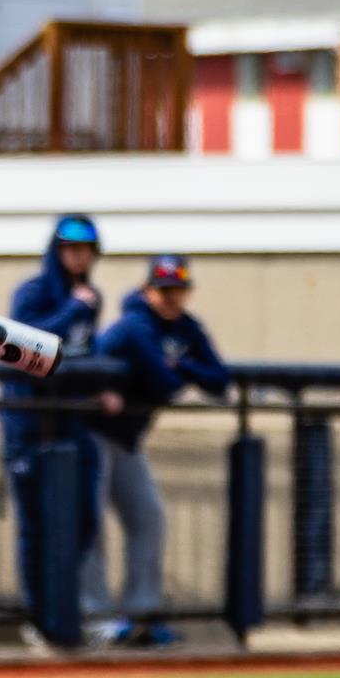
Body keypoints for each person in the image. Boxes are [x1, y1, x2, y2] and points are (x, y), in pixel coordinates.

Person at [90, 255, 229, 648]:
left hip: (129, 437)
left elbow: (219, 380)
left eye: (178, 290)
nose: (171, 298)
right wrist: (180, 370)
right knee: (91, 523)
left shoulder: (186, 328)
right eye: (163, 290)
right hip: (94, 433)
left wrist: (183, 363)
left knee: (149, 518)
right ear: (147, 290)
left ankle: (142, 615)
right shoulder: (134, 325)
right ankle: (97, 620)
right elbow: (163, 380)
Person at [0, 213, 113, 645]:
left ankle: (65, 609)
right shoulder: (34, 293)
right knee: (36, 526)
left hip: (72, 422)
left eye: (85, 250)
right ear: (57, 251)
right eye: (70, 249)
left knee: (83, 520)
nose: (78, 257)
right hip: (29, 425)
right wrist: (72, 309)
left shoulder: (91, 297)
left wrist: (102, 387)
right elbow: (26, 343)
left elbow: (88, 349)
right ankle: (41, 618)